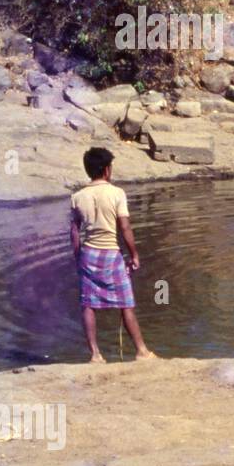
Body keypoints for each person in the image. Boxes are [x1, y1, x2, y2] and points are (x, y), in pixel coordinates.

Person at [69, 147, 157, 363]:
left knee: (88, 304)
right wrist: (134, 254)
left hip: (88, 254)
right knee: (126, 303)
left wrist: (77, 257)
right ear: (107, 170)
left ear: (88, 170)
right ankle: (141, 351)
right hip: (111, 254)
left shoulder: (77, 197)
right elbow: (125, 228)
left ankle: (95, 355)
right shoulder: (117, 193)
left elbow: (74, 231)